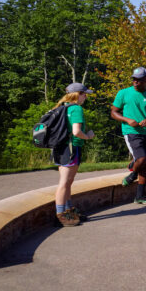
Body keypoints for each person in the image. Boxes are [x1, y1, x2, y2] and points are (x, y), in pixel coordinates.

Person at [111, 67, 146, 206]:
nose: (135, 82)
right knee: (142, 158)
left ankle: (140, 196)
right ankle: (133, 175)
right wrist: (127, 120)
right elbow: (114, 113)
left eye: (139, 80)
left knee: (145, 163)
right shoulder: (123, 93)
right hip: (131, 131)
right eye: (134, 79)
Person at [51, 83, 96, 226]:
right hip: (71, 148)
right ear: (78, 95)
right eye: (84, 94)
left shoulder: (61, 107)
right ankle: (60, 215)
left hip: (61, 148)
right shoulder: (76, 109)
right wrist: (88, 136)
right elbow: (76, 131)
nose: (86, 97)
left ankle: (68, 209)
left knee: (68, 182)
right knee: (64, 182)